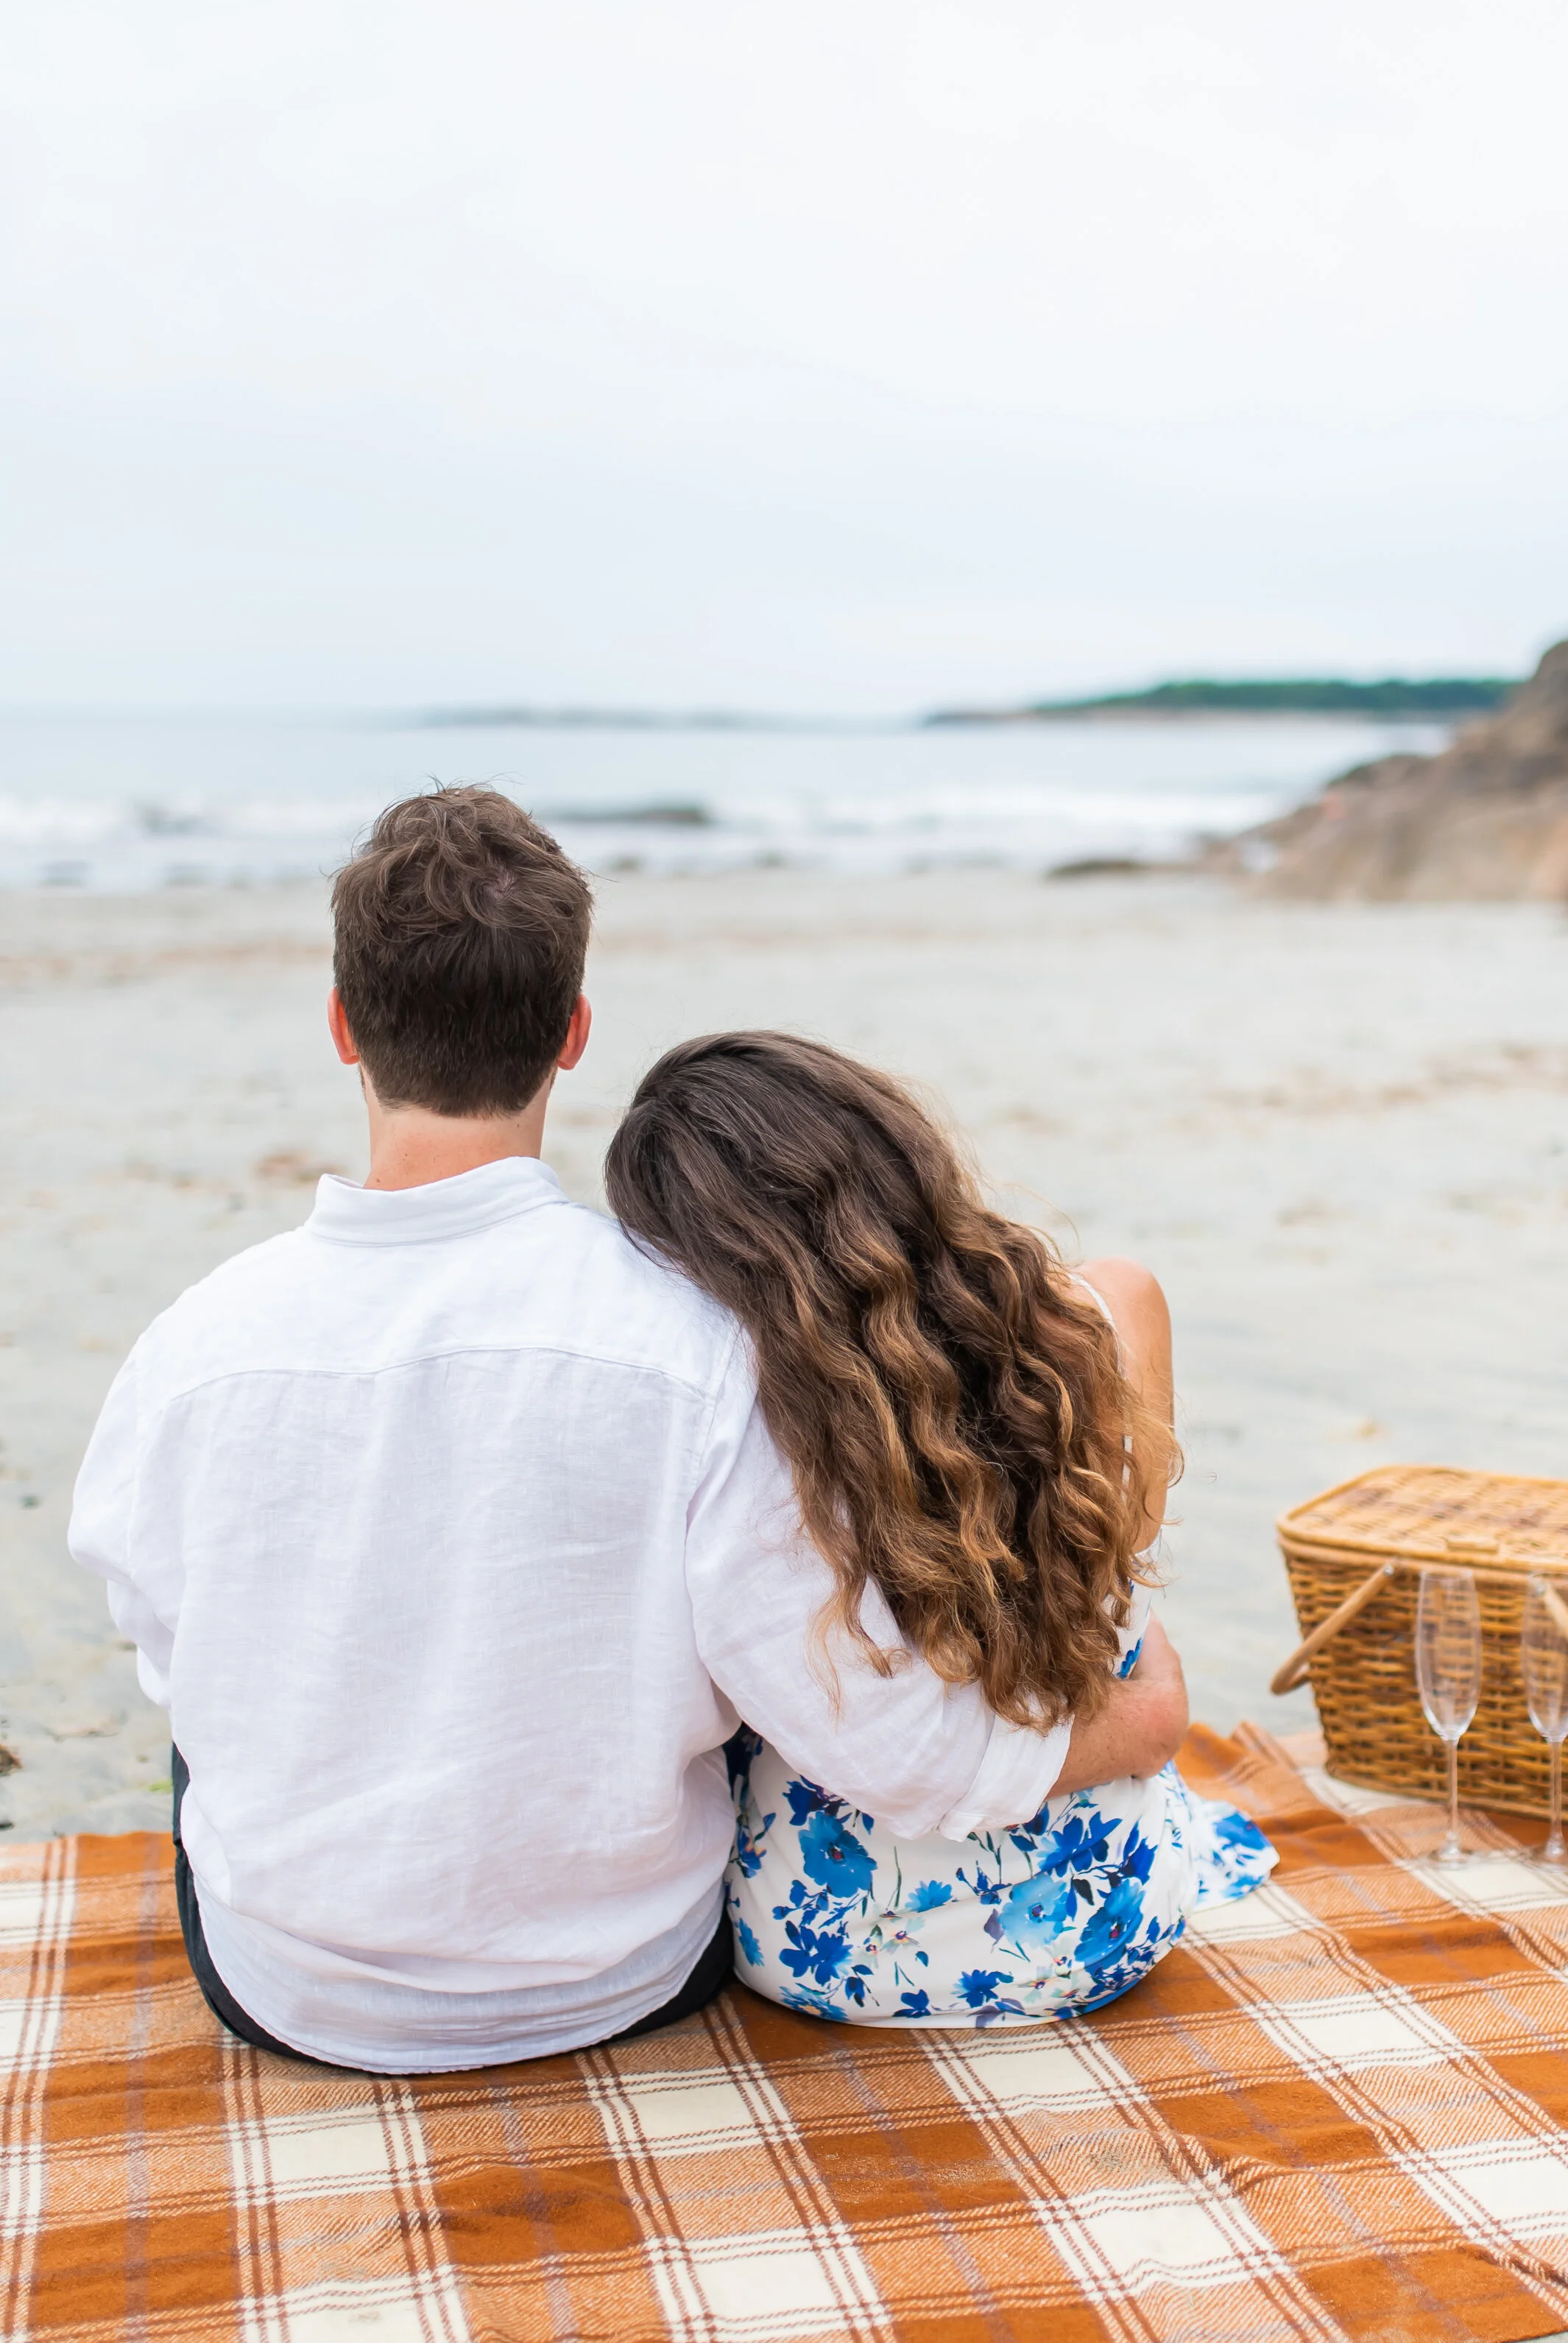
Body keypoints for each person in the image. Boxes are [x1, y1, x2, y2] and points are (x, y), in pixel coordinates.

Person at [67, 786, 1185, 2074]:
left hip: (292, 1994)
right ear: (573, 1034)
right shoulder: (706, 1348)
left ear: (341, 1028)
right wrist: (1129, 1726)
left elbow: (167, 1648)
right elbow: (888, 1745)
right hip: (621, 1976)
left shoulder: (190, 1349)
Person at [604, 1031, 1275, 2027]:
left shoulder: (760, 1449)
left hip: (833, 1953)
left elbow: (893, 1750)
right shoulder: (1108, 1315)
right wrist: (1145, 1721)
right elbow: (1116, 1570)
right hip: (1117, 1912)